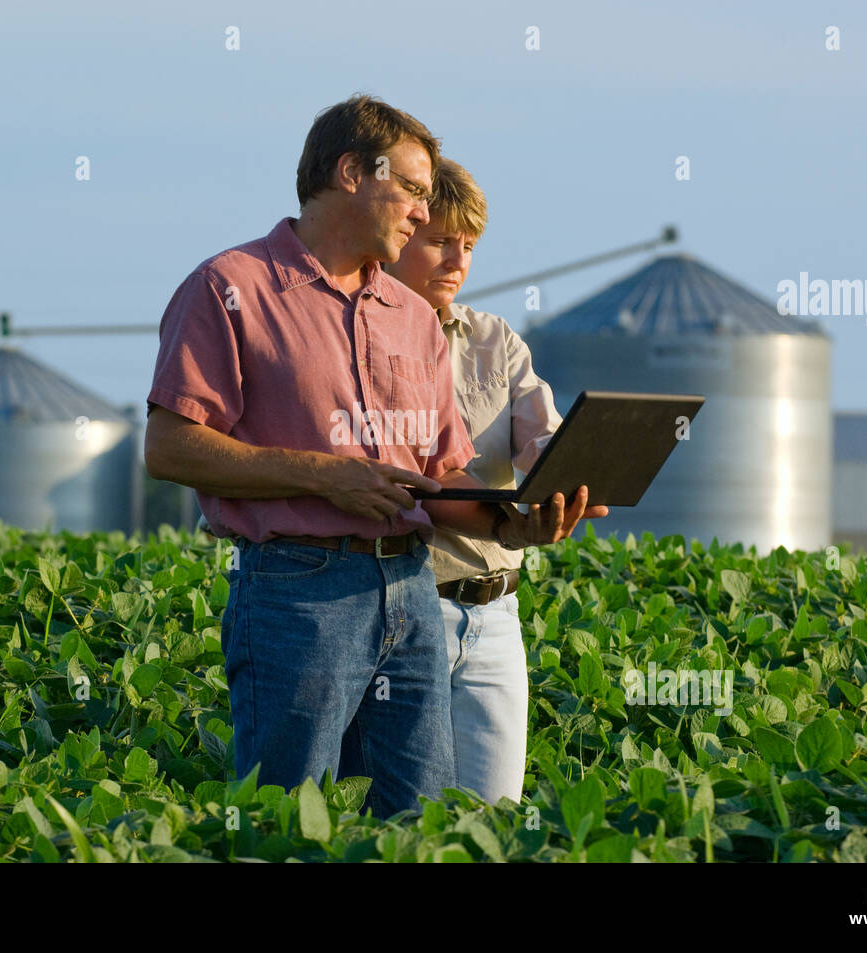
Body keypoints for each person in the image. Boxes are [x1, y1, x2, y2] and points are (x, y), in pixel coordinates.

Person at [143, 95, 583, 818]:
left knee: (415, 825)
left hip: (411, 589)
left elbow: (441, 472)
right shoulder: (229, 289)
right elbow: (169, 445)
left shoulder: (413, 318)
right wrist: (323, 475)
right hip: (297, 593)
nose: (420, 211)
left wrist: (512, 526)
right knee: (289, 820)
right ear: (350, 172)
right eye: (410, 190)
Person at [385, 157, 609, 805]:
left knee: (495, 817)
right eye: (439, 241)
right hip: (409, 605)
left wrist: (564, 482)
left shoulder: (495, 340)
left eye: (470, 246)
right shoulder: (363, 339)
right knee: (406, 822)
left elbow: (544, 439)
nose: (457, 259)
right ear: (402, 236)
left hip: (496, 612)